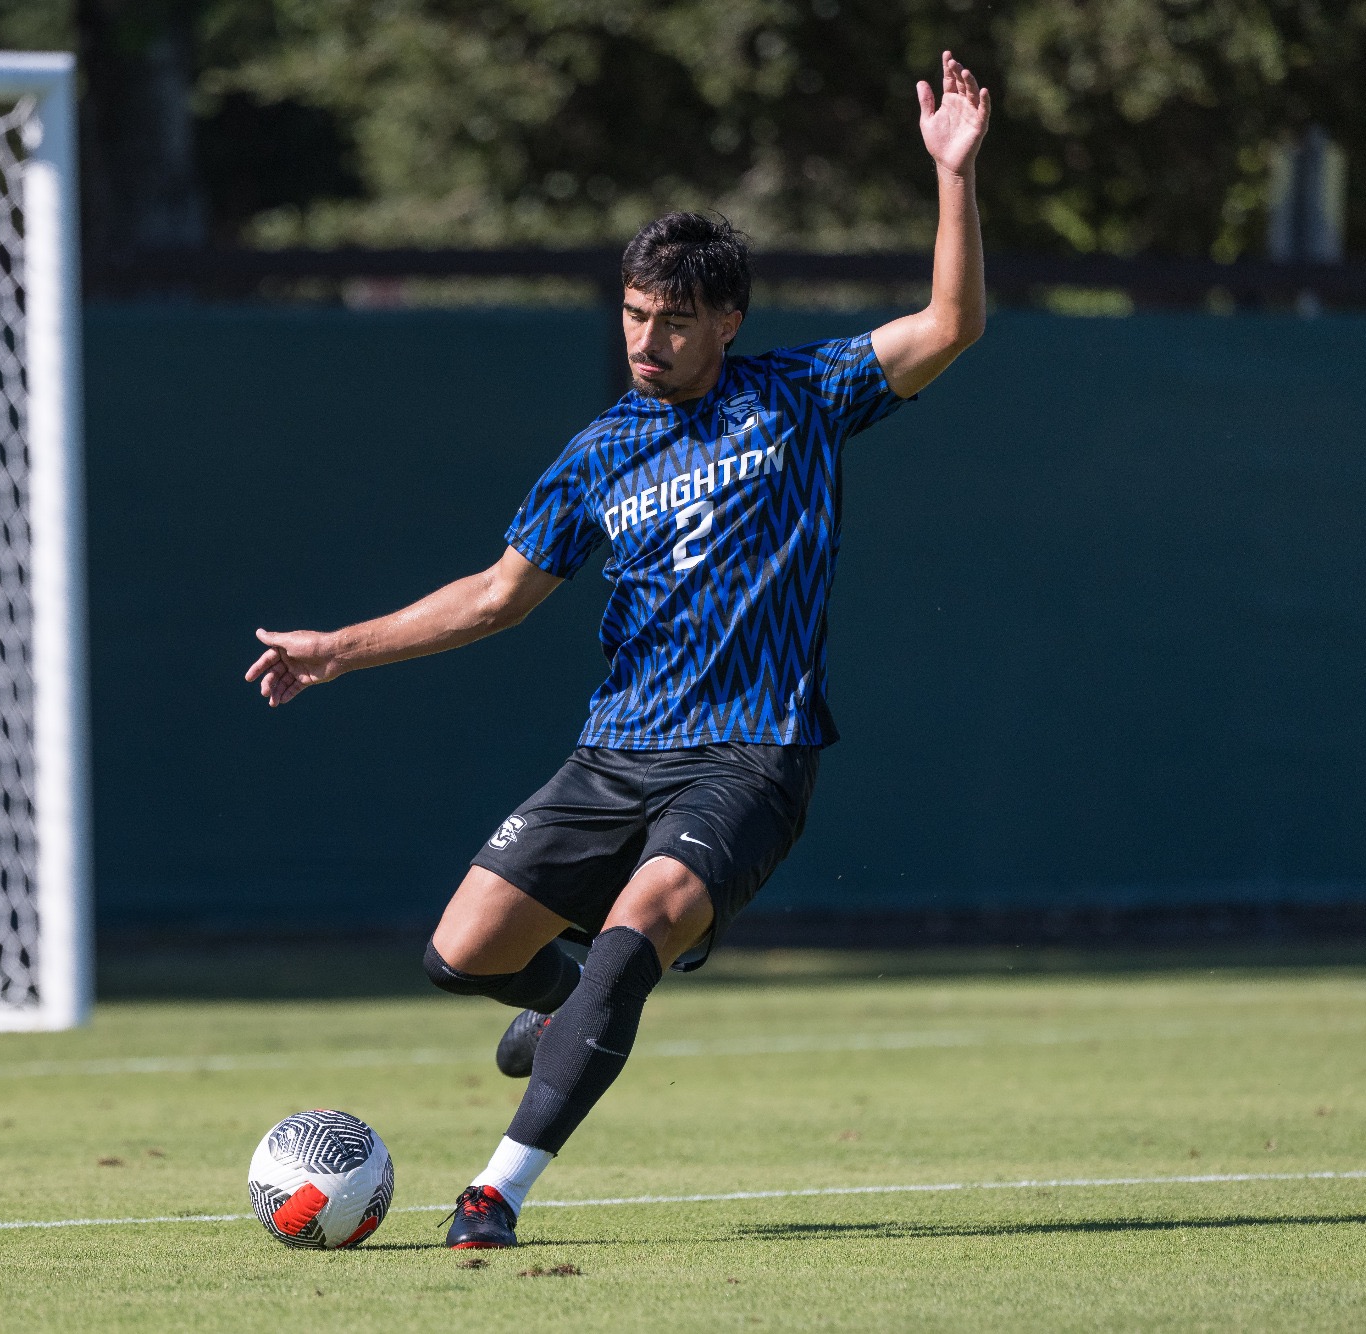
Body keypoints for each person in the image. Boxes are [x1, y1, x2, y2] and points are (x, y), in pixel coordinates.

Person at [247, 54, 992, 1247]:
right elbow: (496, 597)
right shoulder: (596, 452)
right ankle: (559, 1012)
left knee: (636, 931)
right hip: (614, 752)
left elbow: (952, 324)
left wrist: (952, 175)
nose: (647, 338)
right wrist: (340, 648)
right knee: (460, 952)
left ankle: (495, 1191)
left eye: (674, 320)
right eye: (636, 314)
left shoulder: (800, 395)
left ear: (726, 323)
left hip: (749, 756)